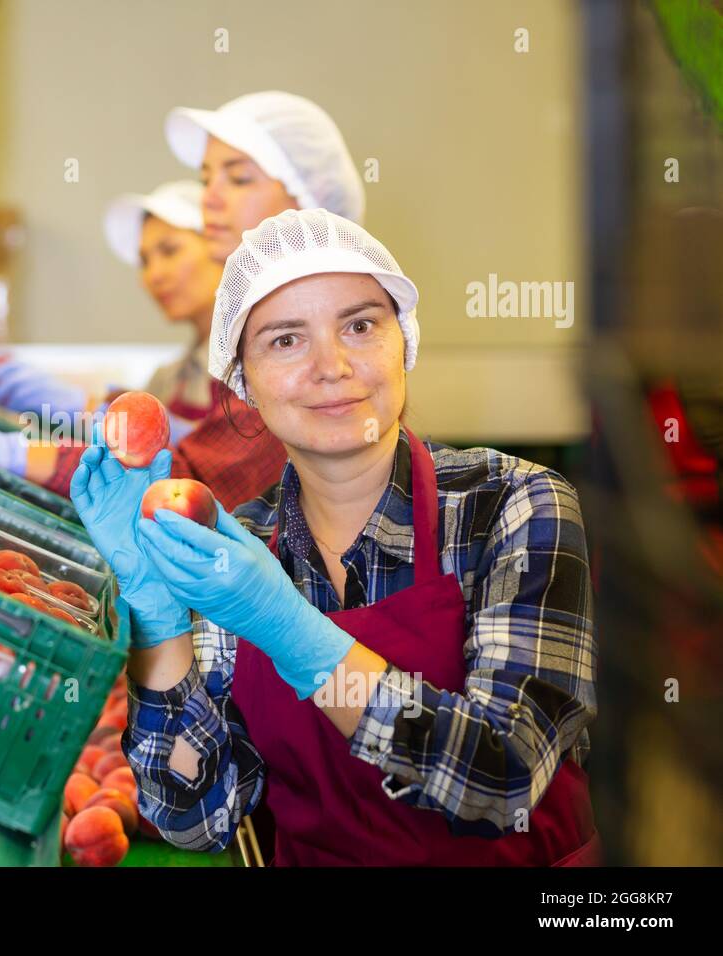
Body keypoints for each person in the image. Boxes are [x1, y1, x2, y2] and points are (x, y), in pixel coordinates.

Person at [71, 207, 600, 866]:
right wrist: (155, 615)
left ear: (402, 342)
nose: (332, 365)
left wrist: (293, 632)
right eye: (286, 340)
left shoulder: (514, 508)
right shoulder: (236, 550)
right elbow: (194, 810)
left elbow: (503, 779)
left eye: (359, 325)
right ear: (243, 383)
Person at [0, 91, 363, 507]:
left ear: (310, 203)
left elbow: (190, 478)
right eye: (206, 178)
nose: (211, 199)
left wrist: (20, 451)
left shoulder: (301, 349)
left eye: (239, 177)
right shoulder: (252, 343)